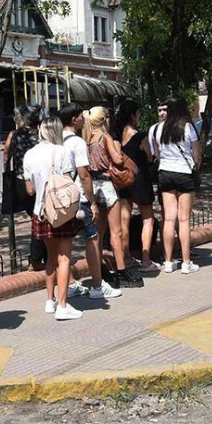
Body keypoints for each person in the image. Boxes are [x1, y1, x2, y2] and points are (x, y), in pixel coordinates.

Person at [59, 103, 122, 298]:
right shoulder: (77, 142)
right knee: (93, 237)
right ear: (74, 119)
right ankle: (97, 286)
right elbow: (84, 175)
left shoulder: (56, 139)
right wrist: (92, 201)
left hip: (59, 196)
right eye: (79, 116)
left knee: (64, 242)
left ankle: (68, 285)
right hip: (78, 196)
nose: (82, 119)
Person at [23, 117, 83, 321]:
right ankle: (63, 305)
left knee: (50, 256)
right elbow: (68, 182)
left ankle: (50, 300)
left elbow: (29, 189)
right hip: (60, 211)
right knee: (64, 257)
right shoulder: (62, 152)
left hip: (40, 211)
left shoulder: (29, 155)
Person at [85, 106, 139, 286]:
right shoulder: (105, 137)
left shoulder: (88, 139)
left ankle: (100, 269)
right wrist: (117, 149)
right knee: (116, 231)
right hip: (107, 186)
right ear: (104, 120)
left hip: (93, 185)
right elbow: (118, 160)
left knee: (99, 232)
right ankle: (122, 272)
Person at [150, 97, 201, 274]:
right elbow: (197, 154)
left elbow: (156, 153)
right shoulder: (187, 127)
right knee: (184, 219)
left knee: (169, 219)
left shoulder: (158, 128)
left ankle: (168, 261)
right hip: (184, 173)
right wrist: (195, 166)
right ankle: (186, 262)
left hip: (165, 173)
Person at [114, 99, 158, 273]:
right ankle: (146, 260)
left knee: (124, 218)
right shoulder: (140, 137)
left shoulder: (117, 136)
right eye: (138, 113)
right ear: (132, 115)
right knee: (148, 219)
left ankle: (126, 257)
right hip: (140, 180)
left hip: (123, 180)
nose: (139, 116)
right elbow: (149, 157)